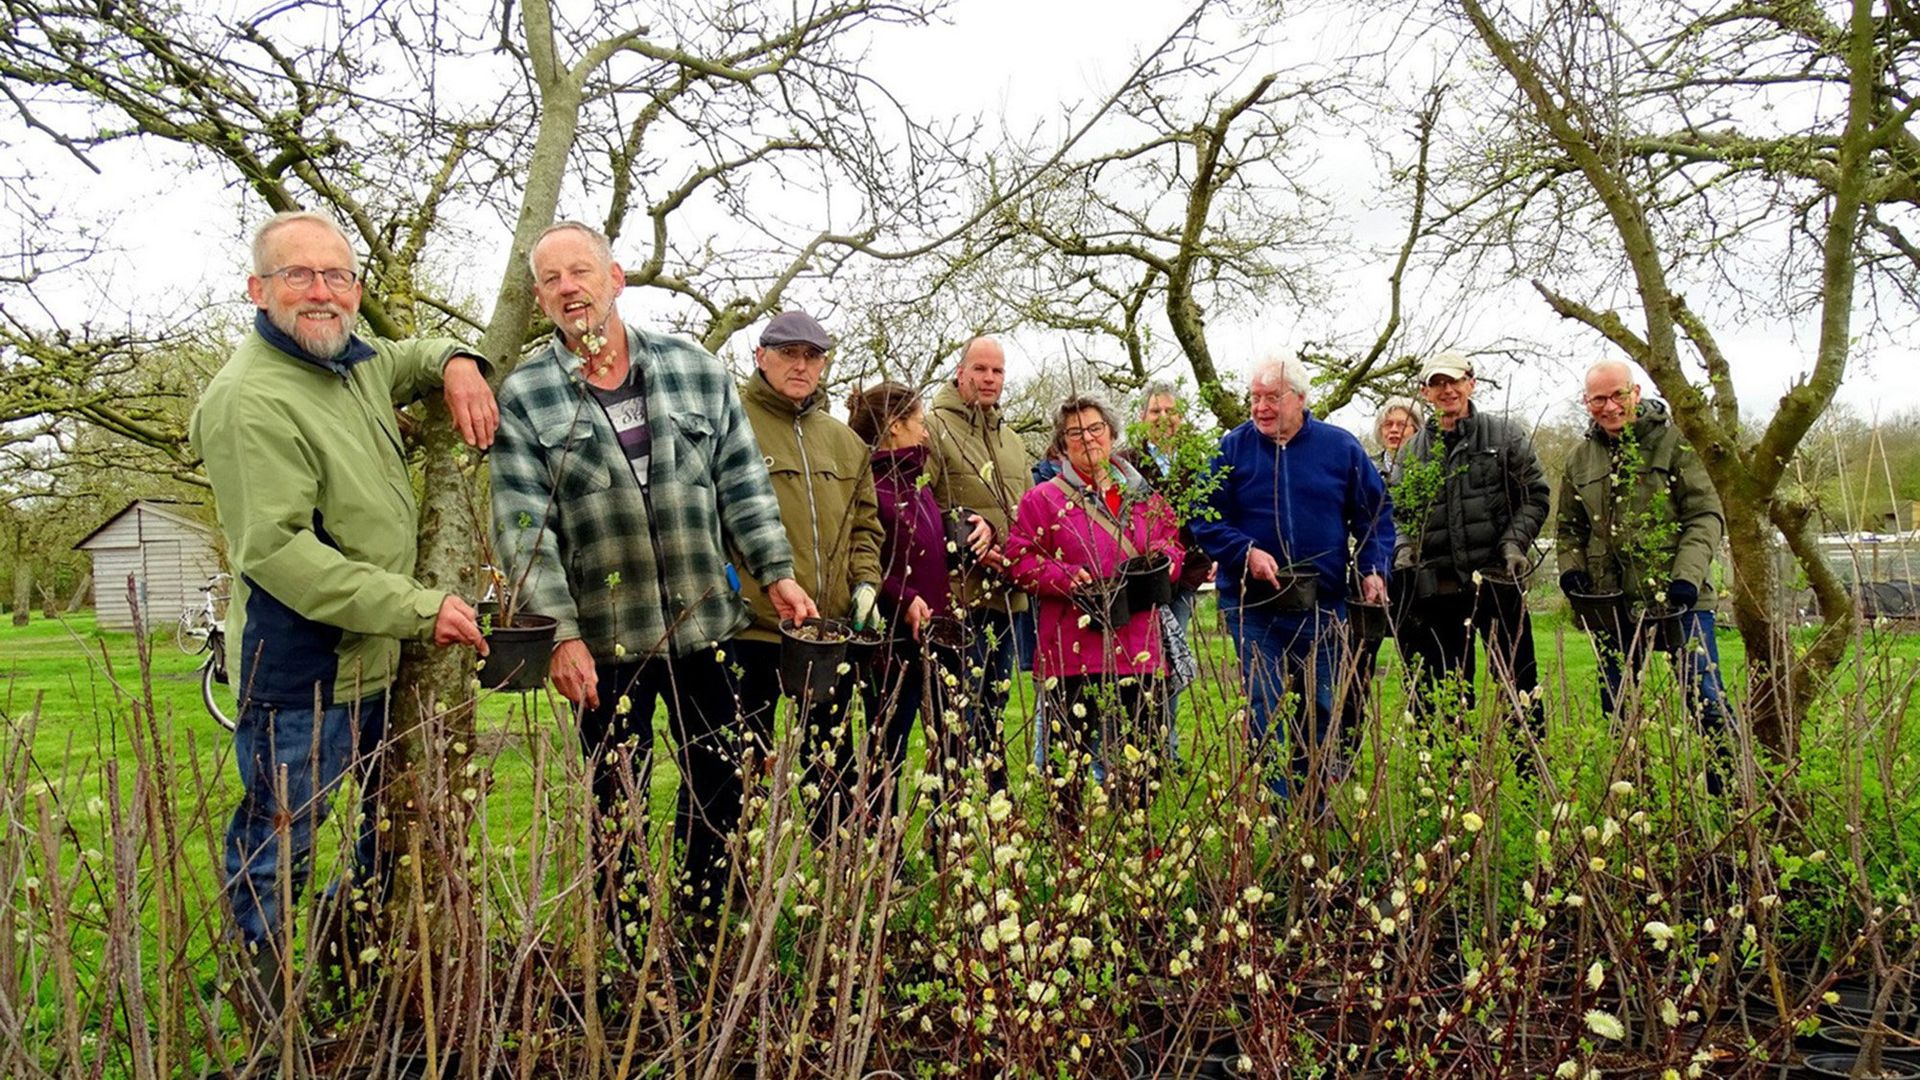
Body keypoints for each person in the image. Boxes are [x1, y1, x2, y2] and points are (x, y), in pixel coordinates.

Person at [189, 209, 497, 1011]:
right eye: (298, 275)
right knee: (279, 845)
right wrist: (417, 606)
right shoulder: (250, 400)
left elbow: (411, 354)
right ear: (258, 289)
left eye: (337, 276)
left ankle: (361, 983)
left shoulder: (351, 362)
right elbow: (279, 553)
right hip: (308, 669)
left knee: (383, 836)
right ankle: (260, 1017)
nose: (321, 292)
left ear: (356, 290)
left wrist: (458, 362)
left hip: (381, 654)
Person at [489, 221, 818, 943]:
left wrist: (776, 573)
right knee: (617, 800)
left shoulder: (695, 368)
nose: (569, 288)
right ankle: (630, 943)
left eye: (581, 272)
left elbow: (742, 482)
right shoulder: (527, 395)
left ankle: (705, 928)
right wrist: (560, 636)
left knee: (723, 786)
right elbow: (523, 533)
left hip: (707, 628)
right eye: (552, 280)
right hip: (606, 646)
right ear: (540, 298)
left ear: (616, 279)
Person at [1189, 358, 1393, 803]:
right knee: (1263, 703)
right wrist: (1245, 551)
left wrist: (1374, 569)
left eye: (1271, 397)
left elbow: (1375, 518)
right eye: (1254, 398)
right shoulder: (1232, 450)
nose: (1260, 408)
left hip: (1321, 603)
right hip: (1253, 605)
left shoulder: (1340, 449)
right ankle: (1278, 808)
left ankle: (1311, 808)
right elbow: (1204, 516)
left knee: (1318, 707)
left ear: (1300, 399)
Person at [734, 311, 884, 839]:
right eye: (789, 352)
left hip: (827, 629)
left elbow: (866, 526)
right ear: (761, 356)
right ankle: (733, 883)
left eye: (812, 355)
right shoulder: (732, 422)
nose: (801, 365)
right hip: (750, 627)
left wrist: (865, 583)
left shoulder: (845, 441)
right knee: (739, 764)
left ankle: (837, 868)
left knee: (832, 760)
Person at [1008, 395, 1181, 830]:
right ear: (1061, 445)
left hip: (1138, 645)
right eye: (1074, 433)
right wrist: (1067, 577)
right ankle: (1069, 852)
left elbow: (1172, 545)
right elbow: (1020, 560)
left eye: (1095, 428)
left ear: (1112, 433)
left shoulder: (1143, 495)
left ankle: (1137, 846)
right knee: (1066, 761)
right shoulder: (1042, 500)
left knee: (1144, 759)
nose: (1087, 439)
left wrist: (1160, 561)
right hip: (1071, 650)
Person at [1555, 360, 1731, 788]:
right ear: (1587, 402)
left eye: (1618, 395)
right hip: (1611, 602)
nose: (1610, 406)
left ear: (1636, 393)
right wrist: (1572, 572)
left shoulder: (1675, 445)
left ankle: (1726, 791)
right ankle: (1634, 794)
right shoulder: (1580, 458)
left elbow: (1705, 515)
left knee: (1705, 700)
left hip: (1679, 599)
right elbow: (1568, 528)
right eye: (1599, 398)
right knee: (1616, 704)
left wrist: (1686, 577)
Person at [1390, 351, 1551, 751]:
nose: (1447, 390)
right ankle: (1451, 784)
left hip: (1498, 583)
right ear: (1425, 392)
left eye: (1455, 381)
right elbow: (1399, 513)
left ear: (1471, 383)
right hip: (1440, 591)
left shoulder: (1505, 437)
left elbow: (1536, 495)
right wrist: (1405, 546)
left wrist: (1514, 543)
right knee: (1446, 692)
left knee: (1519, 686)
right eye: (1437, 383)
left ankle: (1531, 774)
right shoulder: (1412, 454)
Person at [923, 336, 1034, 793]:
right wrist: (968, 535)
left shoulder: (1012, 440)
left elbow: (1029, 514)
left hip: (1005, 596)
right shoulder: (932, 428)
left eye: (998, 371)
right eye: (981, 369)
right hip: (955, 598)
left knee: (993, 709)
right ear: (960, 372)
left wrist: (1005, 542)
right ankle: (949, 820)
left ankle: (994, 808)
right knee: (953, 717)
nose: (989, 379)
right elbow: (917, 508)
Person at [847, 381, 959, 819]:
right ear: (895, 427)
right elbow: (870, 559)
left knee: (948, 741)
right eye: (919, 421)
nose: (926, 432)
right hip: (894, 641)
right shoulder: (875, 486)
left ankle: (947, 839)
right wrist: (905, 596)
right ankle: (879, 847)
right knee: (887, 744)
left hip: (935, 633)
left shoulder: (916, 481)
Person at [1117, 383, 1214, 760]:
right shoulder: (1125, 463)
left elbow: (1208, 518)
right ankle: (1133, 748)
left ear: (1181, 417)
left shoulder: (1197, 462)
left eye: (1170, 411)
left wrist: (1209, 557)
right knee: (1137, 664)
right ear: (1141, 419)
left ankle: (1167, 748)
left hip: (1183, 579)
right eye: (1154, 412)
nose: (1163, 419)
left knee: (1172, 662)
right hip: (1140, 580)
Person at [1341, 396, 1424, 753]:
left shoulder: (1426, 471)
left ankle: (1423, 740)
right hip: (1369, 578)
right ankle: (1346, 744)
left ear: (1418, 431)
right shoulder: (1366, 468)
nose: (1395, 430)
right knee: (1356, 664)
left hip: (1413, 580)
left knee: (1418, 664)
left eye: (1404, 424)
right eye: (1389, 424)